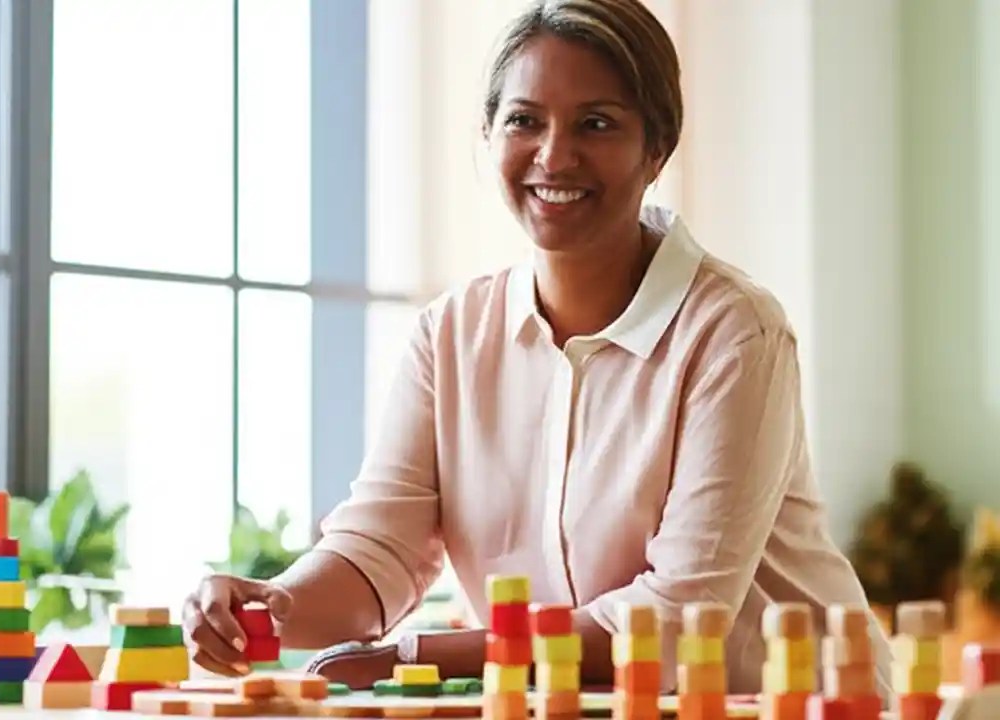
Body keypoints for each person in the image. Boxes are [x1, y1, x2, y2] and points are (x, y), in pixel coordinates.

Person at [182, 0, 893, 697]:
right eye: (524, 120)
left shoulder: (734, 332)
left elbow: (680, 621)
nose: (554, 154)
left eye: (597, 123)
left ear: (658, 148)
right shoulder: (450, 334)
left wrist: (415, 656)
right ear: (488, 135)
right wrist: (265, 607)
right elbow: (378, 553)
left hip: (794, 704)